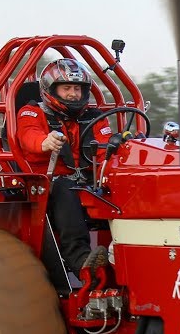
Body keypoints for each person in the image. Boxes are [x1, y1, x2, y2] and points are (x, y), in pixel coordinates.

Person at [15, 58, 114, 278]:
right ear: (51, 89)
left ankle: (124, 253)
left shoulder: (95, 117)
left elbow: (105, 149)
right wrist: (45, 142)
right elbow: (29, 136)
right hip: (47, 183)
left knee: (120, 186)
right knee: (65, 190)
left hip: (90, 180)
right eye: (67, 88)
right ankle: (81, 263)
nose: (73, 94)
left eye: (77, 88)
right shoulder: (31, 112)